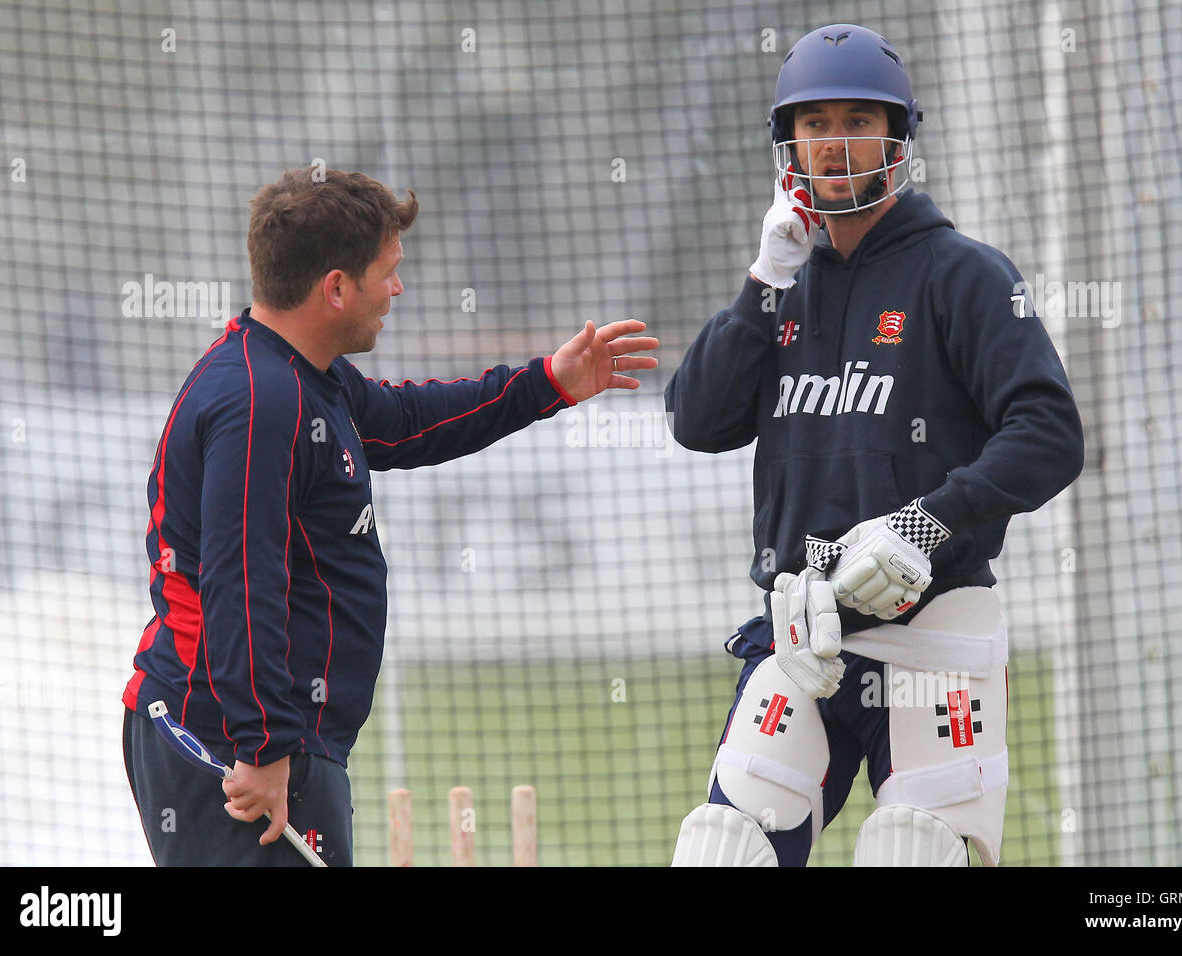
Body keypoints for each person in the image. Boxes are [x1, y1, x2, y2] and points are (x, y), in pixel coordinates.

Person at [121, 167, 658, 865]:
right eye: (388, 272)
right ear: (336, 288)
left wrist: (546, 383)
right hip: (231, 745)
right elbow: (239, 583)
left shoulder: (301, 373)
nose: (397, 290)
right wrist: (265, 747)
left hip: (262, 737)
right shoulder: (260, 401)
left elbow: (403, 422)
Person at [666, 24, 1083, 866]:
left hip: (935, 632)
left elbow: (1049, 432)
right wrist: (762, 282)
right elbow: (697, 420)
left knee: (912, 850)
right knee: (722, 849)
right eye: (814, 124)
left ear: (898, 139)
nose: (836, 143)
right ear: (789, 142)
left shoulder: (963, 273)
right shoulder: (782, 286)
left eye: (859, 120)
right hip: (807, 634)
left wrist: (923, 527)